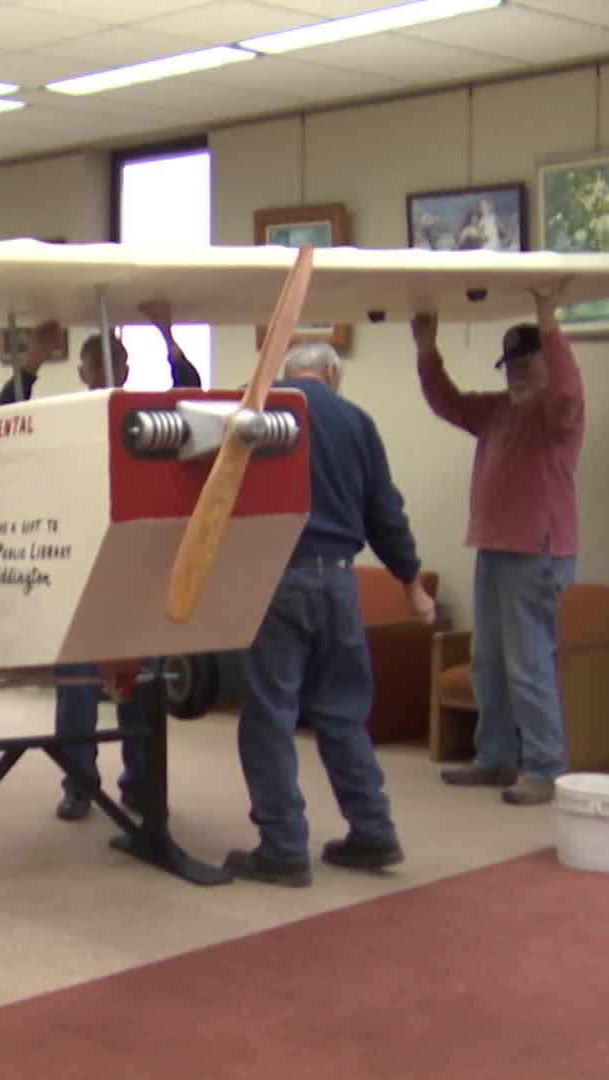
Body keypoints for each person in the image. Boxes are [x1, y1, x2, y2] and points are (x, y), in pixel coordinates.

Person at [226, 343, 435, 887]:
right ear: (332, 374)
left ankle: (283, 847)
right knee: (343, 713)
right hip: (341, 580)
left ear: (288, 373)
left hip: (276, 575)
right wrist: (411, 582)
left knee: (270, 713)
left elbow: (224, 496)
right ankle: (373, 829)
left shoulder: (262, 415)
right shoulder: (357, 421)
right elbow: (385, 511)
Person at [0, 302, 203, 820]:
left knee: (140, 678)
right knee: (82, 685)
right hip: (85, 565)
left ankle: (133, 782)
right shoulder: (71, 419)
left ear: (124, 369)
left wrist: (167, 333)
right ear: (86, 370)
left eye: (115, 362)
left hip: (132, 562)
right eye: (100, 363)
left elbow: (193, 392)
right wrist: (34, 358)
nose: (108, 371)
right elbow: (7, 415)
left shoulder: (150, 414)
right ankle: (83, 781)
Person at [411, 280, 584, 806]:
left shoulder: (558, 414)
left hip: (537, 550)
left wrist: (548, 317)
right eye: (509, 364)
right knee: (489, 659)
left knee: (528, 662)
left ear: (544, 363)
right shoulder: (498, 411)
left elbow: (567, 392)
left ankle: (546, 767)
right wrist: (426, 349)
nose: (514, 372)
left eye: (524, 363)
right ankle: (495, 758)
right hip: (493, 545)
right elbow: (448, 402)